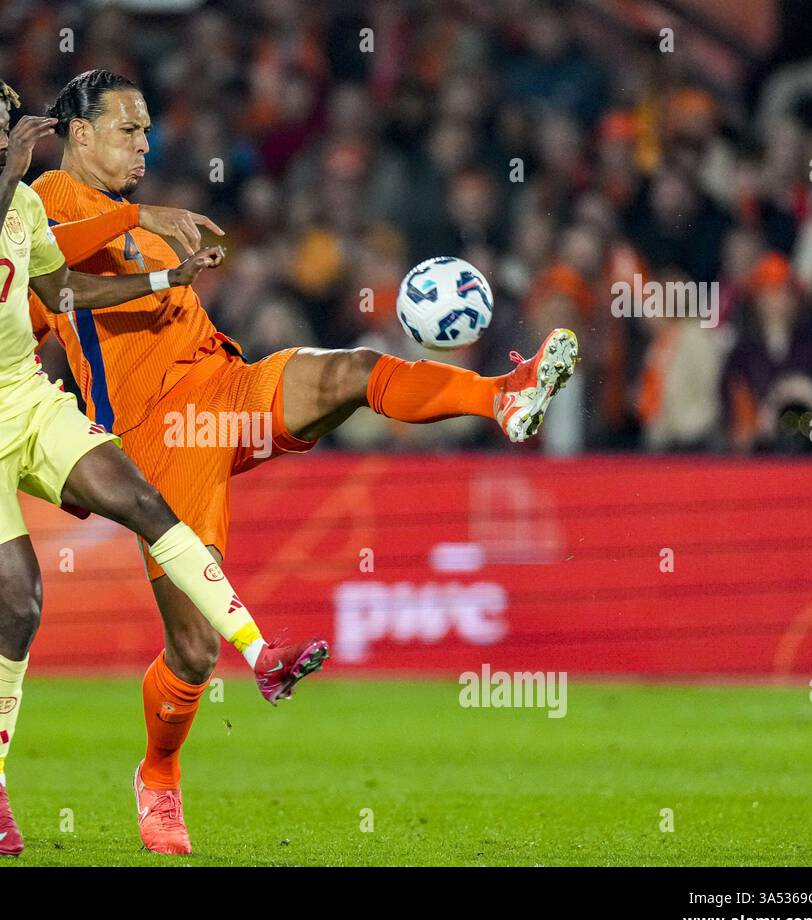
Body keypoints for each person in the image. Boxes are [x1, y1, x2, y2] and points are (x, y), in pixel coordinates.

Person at [29, 70, 580, 854]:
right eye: (128, 130)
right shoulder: (51, 196)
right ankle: (158, 777)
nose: (145, 144)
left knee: (349, 370)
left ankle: (502, 397)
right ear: (78, 135)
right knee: (193, 649)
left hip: (223, 384)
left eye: (148, 130)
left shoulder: (140, 216)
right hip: (161, 437)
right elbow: (56, 279)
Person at [0, 45, 288, 857]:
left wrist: (160, 284)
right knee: (22, 606)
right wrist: (13, 184)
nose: (4, 142)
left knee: (144, 497)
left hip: (28, 399)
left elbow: (59, 293)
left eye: (7, 130)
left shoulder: (24, 207)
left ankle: (259, 650)